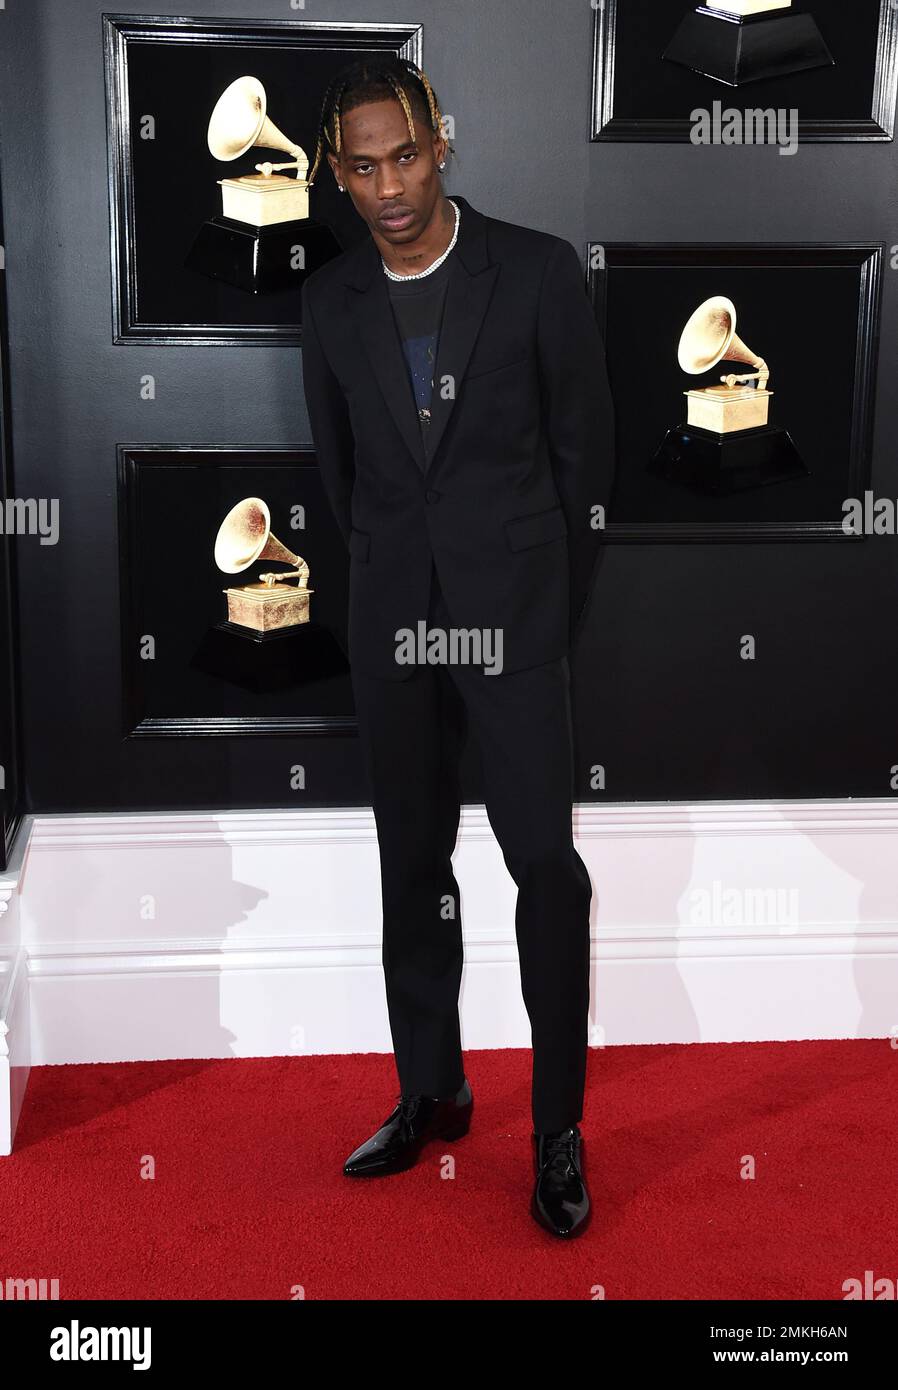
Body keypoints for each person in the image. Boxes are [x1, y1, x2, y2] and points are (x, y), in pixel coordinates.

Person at [300, 56, 615, 1238]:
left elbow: (587, 461)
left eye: (407, 156)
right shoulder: (326, 302)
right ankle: (431, 1089)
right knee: (410, 868)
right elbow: (343, 481)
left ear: (445, 143)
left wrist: (538, 612)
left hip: (516, 628)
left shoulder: (533, 272)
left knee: (545, 868)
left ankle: (557, 1130)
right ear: (337, 174)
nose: (390, 185)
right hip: (392, 628)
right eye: (364, 166)